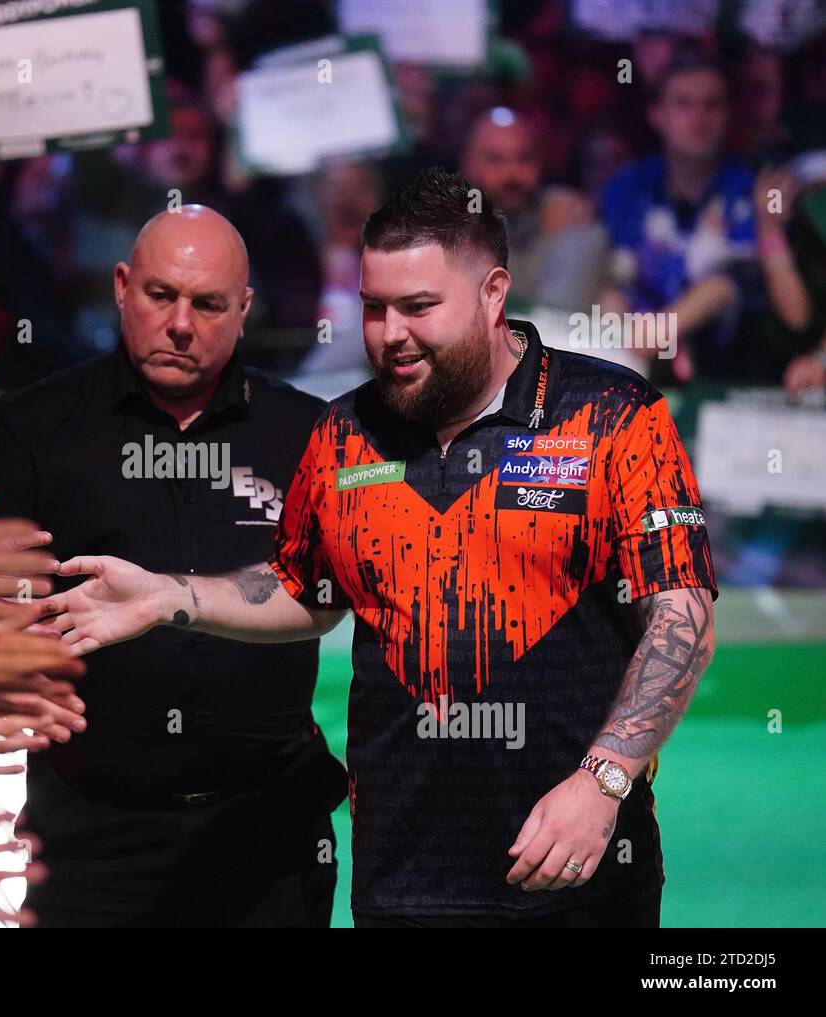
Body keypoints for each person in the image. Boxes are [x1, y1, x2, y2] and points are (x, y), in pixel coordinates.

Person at [41, 169, 718, 928]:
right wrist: (175, 597)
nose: (390, 333)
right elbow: (304, 587)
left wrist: (603, 782)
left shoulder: (614, 415)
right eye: (373, 307)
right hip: (403, 878)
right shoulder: (343, 432)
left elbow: (681, 614)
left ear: (494, 294)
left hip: (579, 873)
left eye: (419, 307)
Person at [0, 204, 347, 927]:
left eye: (208, 303)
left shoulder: (306, 431)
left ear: (245, 308)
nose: (182, 323)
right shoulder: (33, 425)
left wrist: (169, 597)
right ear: (123, 287)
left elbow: (327, 592)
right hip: (91, 833)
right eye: (162, 295)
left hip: (269, 830)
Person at [598, 53, 757, 382]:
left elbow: (728, 286)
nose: (699, 117)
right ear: (657, 114)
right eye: (683, 104)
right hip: (632, 357)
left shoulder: (751, 192)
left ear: (729, 115)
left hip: (725, 371)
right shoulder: (628, 186)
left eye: (712, 105)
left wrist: (658, 332)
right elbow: (613, 282)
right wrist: (613, 345)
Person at [460, 107, 608, 314]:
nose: (511, 174)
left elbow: (555, 326)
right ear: (468, 164)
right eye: (495, 159)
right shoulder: (443, 230)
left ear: (541, 163)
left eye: (524, 158)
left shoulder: (571, 221)